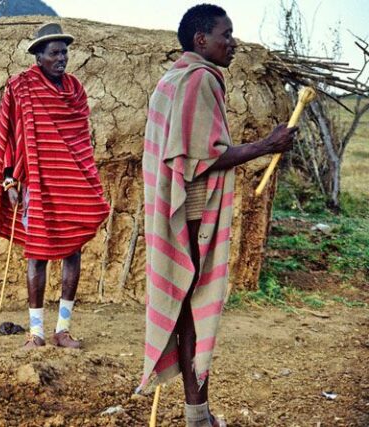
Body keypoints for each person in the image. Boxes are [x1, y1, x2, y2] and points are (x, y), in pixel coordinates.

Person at [139, 5, 297, 426]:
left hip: (171, 208)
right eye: (226, 34)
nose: (234, 42)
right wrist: (267, 145)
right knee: (193, 308)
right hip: (190, 211)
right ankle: (197, 416)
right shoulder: (200, 81)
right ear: (200, 40)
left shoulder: (171, 81)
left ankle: (198, 413)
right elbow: (201, 159)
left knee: (187, 308)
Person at [0, 23, 110, 350]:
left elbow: (80, 140)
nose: (62, 58)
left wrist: (85, 177)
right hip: (36, 183)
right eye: (54, 53)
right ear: (38, 56)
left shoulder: (75, 90)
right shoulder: (21, 87)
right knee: (36, 254)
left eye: (65, 52)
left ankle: (62, 330)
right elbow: (8, 137)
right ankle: (36, 332)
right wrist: (9, 179)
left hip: (70, 181)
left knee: (72, 250)